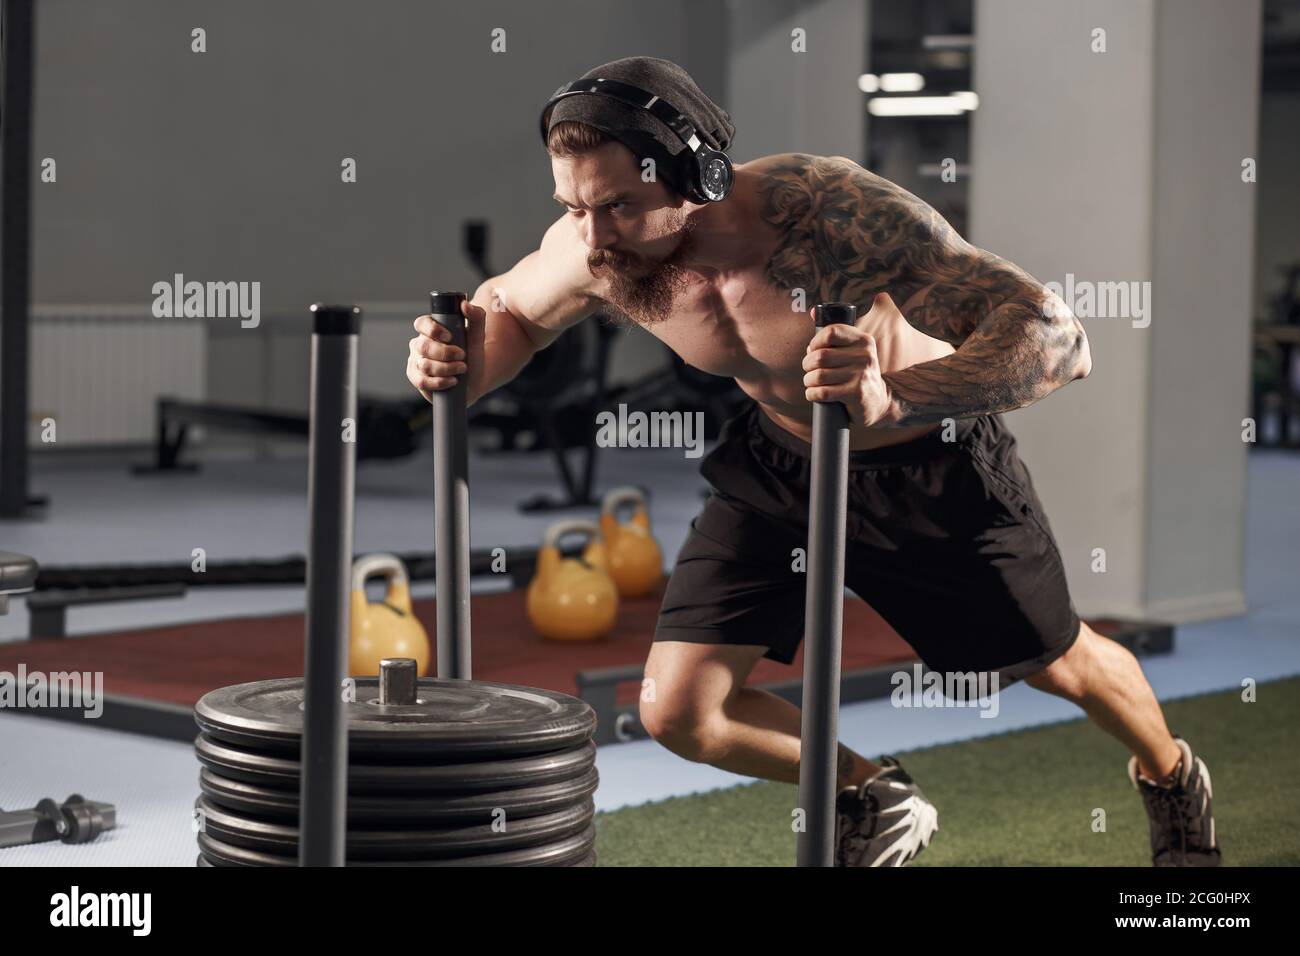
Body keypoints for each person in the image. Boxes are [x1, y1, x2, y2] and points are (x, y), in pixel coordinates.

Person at [407, 56, 1220, 868]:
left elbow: (1059, 340)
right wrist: (462, 360)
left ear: (700, 175)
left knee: (1059, 665)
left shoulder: (827, 215)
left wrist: (895, 395)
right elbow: (511, 309)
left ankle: (1172, 775)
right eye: (574, 206)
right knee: (680, 713)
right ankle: (873, 794)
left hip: (929, 464)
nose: (593, 234)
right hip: (781, 463)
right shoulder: (599, 250)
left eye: (619, 205)